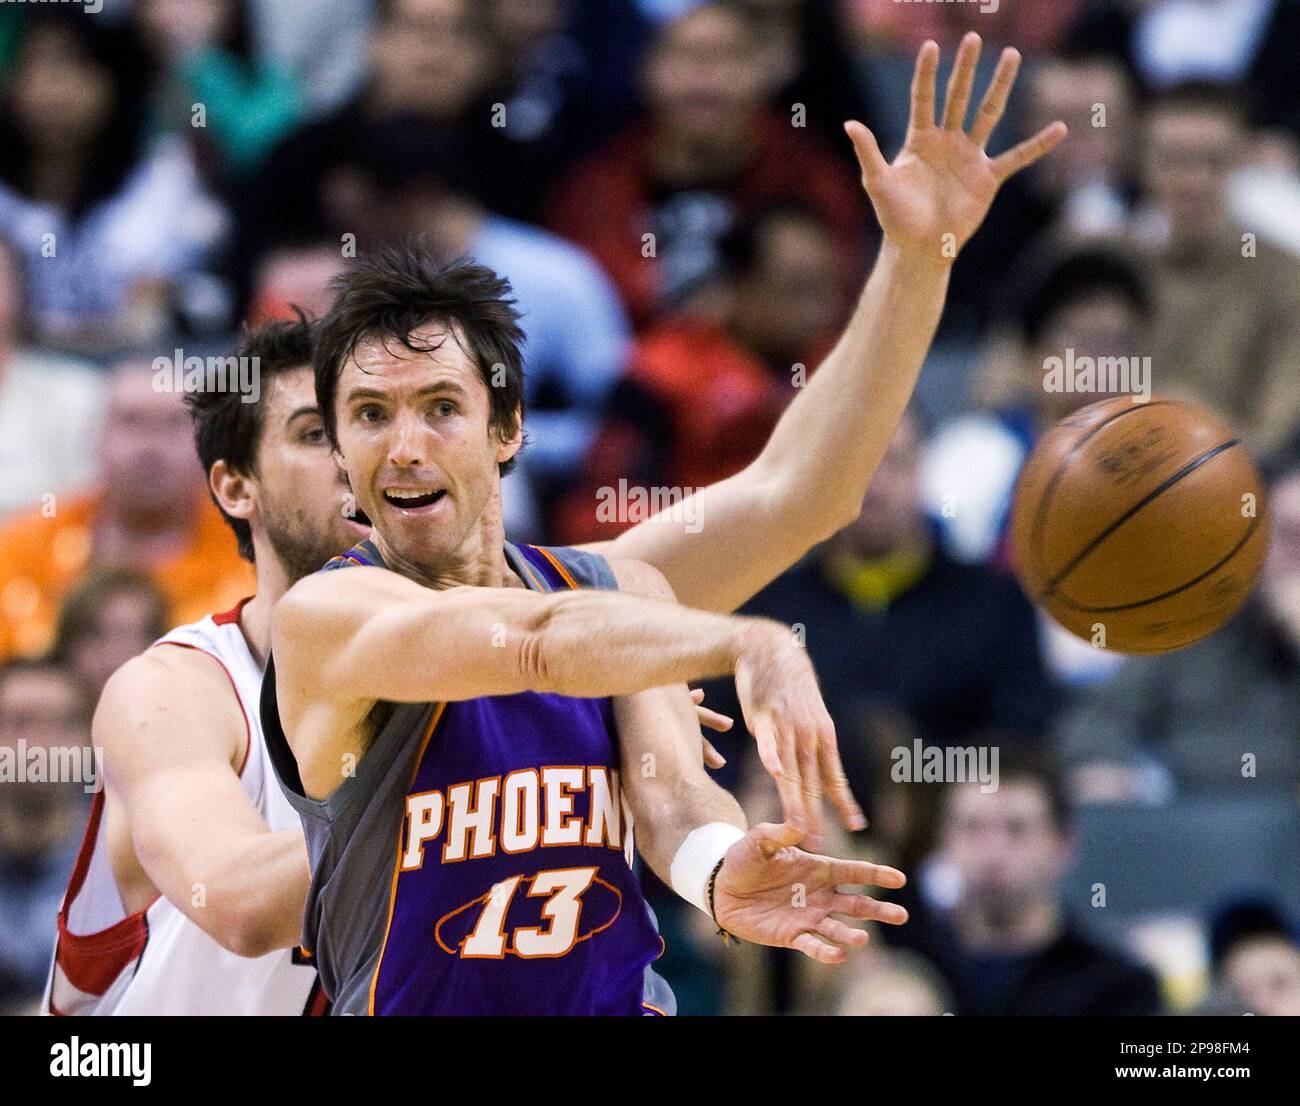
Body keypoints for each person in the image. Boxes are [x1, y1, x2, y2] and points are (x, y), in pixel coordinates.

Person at [50, 33, 1066, 1015]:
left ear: (507, 429)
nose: (400, 446)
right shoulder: (314, 626)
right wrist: (730, 641)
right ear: (243, 483)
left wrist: (918, 259)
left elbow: (796, 497)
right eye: (355, 420)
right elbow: (528, 644)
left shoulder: (616, 592)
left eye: (438, 408)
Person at [0, 359, 255, 663]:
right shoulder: (22, 545)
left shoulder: (252, 550)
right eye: (131, 421)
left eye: (175, 424)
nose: (151, 446)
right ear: (95, 437)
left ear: (208, 444)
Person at [885, 746, 1163, 1016]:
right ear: (943, 839)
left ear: (1062, 844)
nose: (992, 852)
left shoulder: (1116, 987)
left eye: (1016, 829)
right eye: (972, 827)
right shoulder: (902, 964)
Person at [0, 657, 92, 1013]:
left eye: (59, 724)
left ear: (87, 739)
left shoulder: (126, 861)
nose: (38, 743)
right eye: (19, 722)